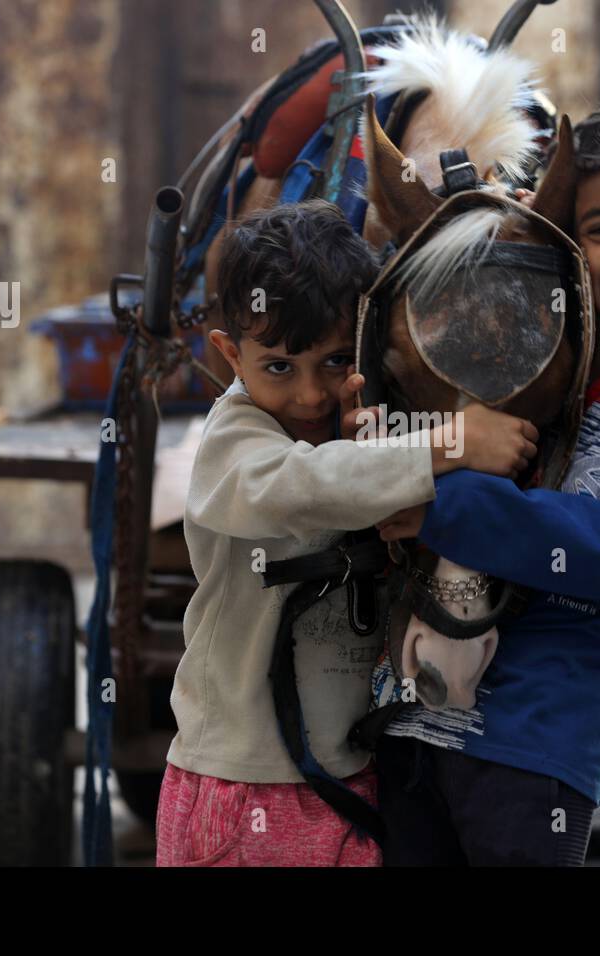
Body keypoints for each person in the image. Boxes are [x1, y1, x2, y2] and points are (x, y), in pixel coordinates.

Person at [368, 103, 600, 866]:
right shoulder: (523, 341)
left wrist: (436, 499)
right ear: (565, 240)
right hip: (406, 725)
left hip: (540, 748)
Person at [154, 199, 537, 866]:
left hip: (346, 780)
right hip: (243, 782)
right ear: (227, 353)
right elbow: (299, 485)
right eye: (279, 366)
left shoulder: (360, 433)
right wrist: (452, 443)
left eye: (333, 363)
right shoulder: (235, 435)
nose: (308, 394)